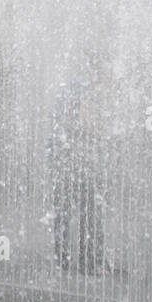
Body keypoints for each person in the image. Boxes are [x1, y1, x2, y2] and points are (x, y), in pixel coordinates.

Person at [48, 74, 105, 274]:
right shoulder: (69, 122)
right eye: (88, 105)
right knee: (71, 214)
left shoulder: (68, 121)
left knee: (87, 214)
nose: (92, 110)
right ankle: (72, 260)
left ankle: (81, 260)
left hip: (76, 169)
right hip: (71, 169)